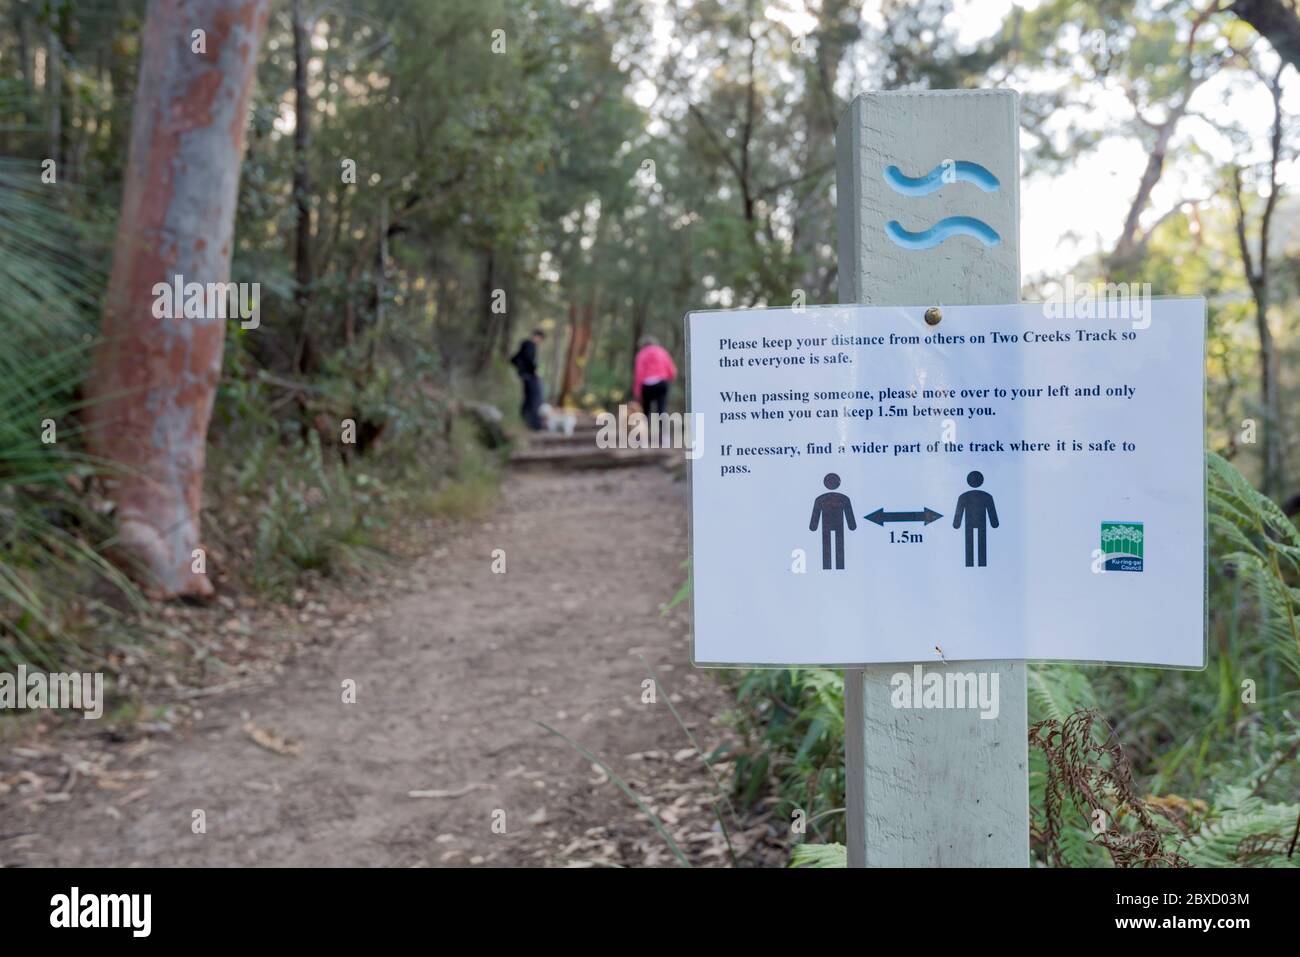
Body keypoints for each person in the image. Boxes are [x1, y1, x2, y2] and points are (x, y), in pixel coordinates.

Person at [809, 473, 856, 570]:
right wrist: (851, 525)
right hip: (836, 525)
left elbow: (814, 521)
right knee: (838, 547)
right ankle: (837, 567)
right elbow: (851, 522)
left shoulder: (820, 499)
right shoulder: (844, 498)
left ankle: (830, 567)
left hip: (828, 525)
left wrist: (813, 526)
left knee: (829, 548)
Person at [952, 470, 999, 567]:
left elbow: (958, 514)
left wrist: (957, 524)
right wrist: (994, 523)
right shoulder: (987, 496)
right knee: (982, 543)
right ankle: (981, 564)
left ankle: (970, 563)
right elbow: (992, 514)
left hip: (969, 523)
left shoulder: (963, 496)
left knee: (969, 544)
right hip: (981, 523)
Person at [633, 335, 678, 418]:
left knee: (646, 408)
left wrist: (637, 391)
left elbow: (639, 373)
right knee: (662, 406)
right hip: (661, 382)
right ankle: (663, 429)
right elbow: (670, 368)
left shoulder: (641, 354)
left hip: (646, 384)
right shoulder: (662, 352)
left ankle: (644, 428)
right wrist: (671, 377)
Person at [510, 329, 546, 431]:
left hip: (525, 375)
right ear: (537, 336)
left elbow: (514, 359)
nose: (539, 341)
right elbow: (528, 359)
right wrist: (533, 370)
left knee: (528, 398)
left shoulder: (525, 345)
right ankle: (534, 424)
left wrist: (520, 370)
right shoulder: (530, 345)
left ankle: (526, 421)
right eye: (540, 338)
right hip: (529, 376)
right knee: (535, 398)